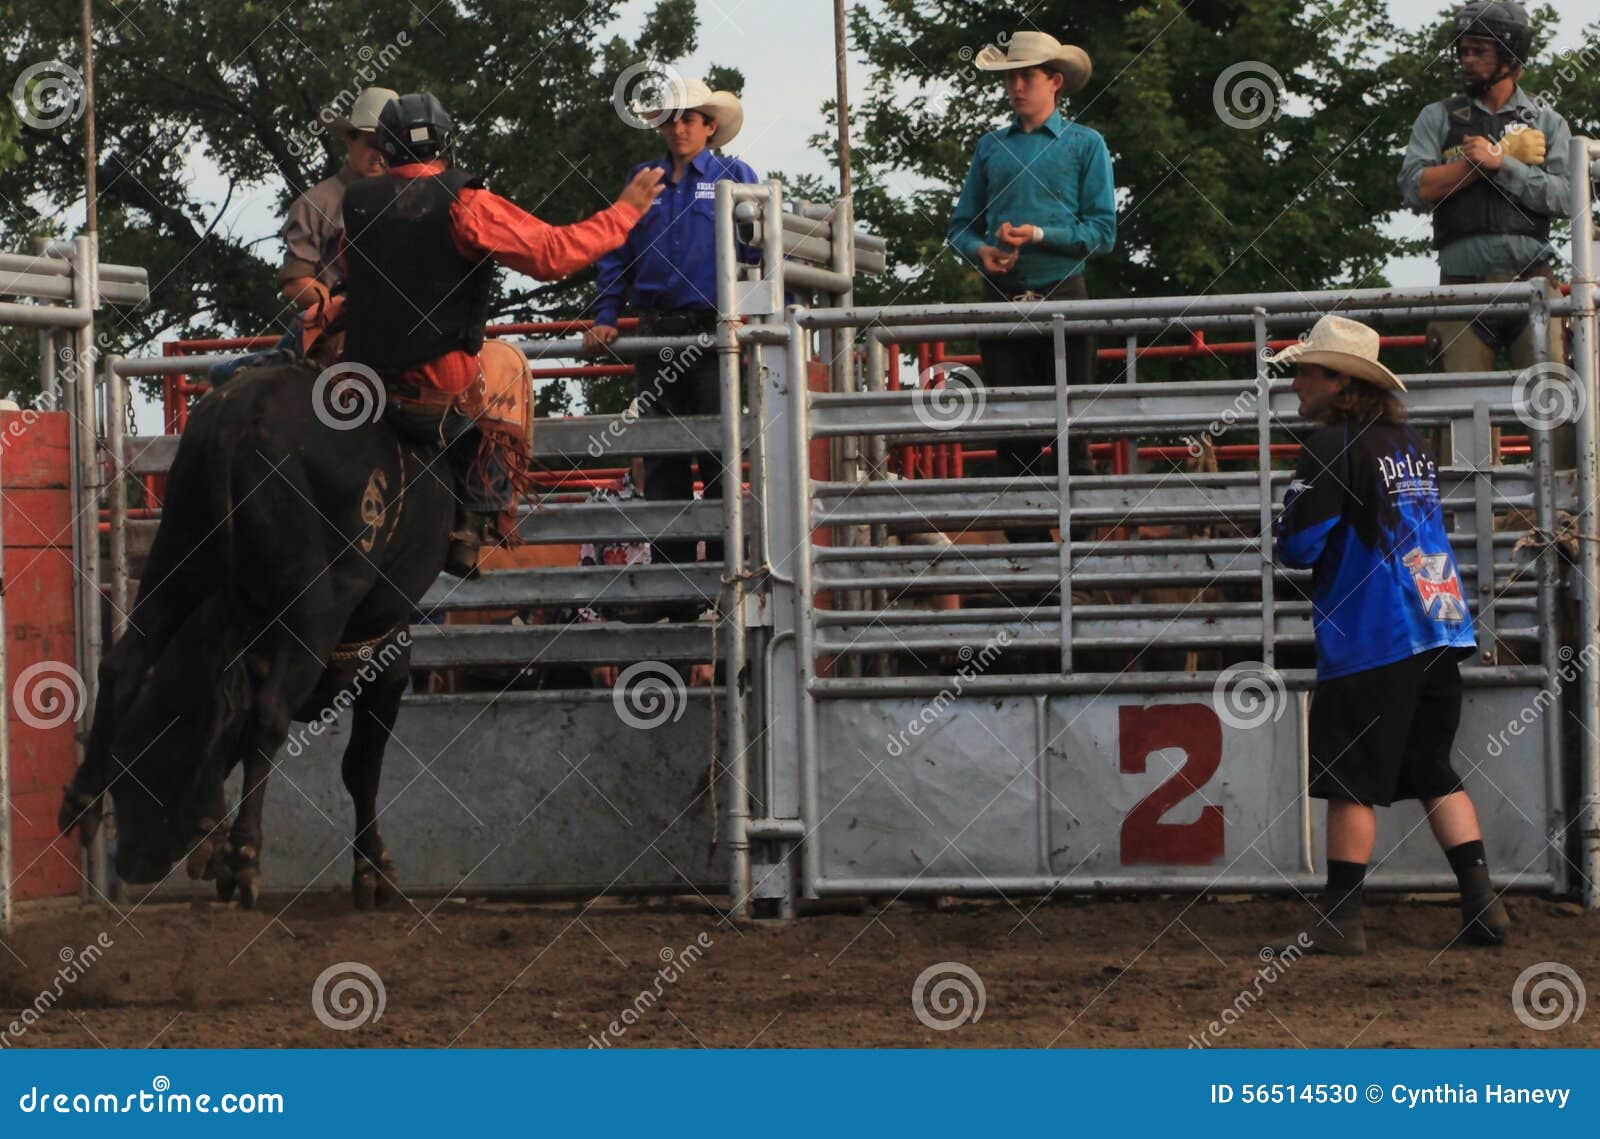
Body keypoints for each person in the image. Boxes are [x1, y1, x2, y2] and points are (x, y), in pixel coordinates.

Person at [341, 92, 664, 577]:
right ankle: (475, 516)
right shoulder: (466, 204)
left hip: (359, 385)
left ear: (384, 150)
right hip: (433, 391)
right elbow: (552, 255)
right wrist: (624, 213)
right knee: (504, 366)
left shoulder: (357, 204)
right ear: (446, 145)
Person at [1269, 315, 1510, 956]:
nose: (1295, 384)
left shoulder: (1329, 447)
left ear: (1337, 381)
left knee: (1349, 777)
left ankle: (1343, 919)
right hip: (1437, 623)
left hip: (1373, 632)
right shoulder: (1410, 444)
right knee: (1433, 768)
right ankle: (1482, 903)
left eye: (1305, 372)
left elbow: (1296, 545)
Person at [583, 78, 760, 570]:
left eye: (689, 119)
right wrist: (606, 315)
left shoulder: (735, 175)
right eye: (670, 118)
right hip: (655, 331)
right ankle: (674, 579)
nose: (678, 127)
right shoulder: (644, 179)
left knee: (719, 452)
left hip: (715, 331)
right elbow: (616, 252)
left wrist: (752, 313)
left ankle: (730, 572)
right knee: (661, 456)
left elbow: (760, 251)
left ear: (710, 126)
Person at [946, 29, 1116, 543]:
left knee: (1073, 433)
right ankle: (1028, 571)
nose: (1016, 86)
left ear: (1054, 82)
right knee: (1011, 434)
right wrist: (983, 251)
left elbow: (1102, 234)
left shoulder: (1086, 145)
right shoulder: (990, 146)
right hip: (1002, 300)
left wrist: (1039, 234)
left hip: (1063, 296)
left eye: (1027, 76)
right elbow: (960, 227)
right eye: (1010, 78)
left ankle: (1078, 562)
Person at [1398, 2, 1571, 458]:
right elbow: (1416, 188)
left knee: (1558, 412)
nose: (1466, 60)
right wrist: (1480, 164)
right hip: (1461, 293)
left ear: (1508, 56)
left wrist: (1505, 165)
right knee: (1459, 428)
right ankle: (1469, 527)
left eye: (1477, 51)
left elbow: (1568, 198)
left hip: (1533, 288)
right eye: (1463, 50)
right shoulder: (1437, 117)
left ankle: (1569, 526)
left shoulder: (1547, 121)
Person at [280, 86, 397, 312]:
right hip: (337, 334)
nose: (378, 153)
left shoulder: (413, 200)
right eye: (371, 142)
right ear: (350, 139)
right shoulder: (314, 204)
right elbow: (296, 282)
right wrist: (345, 313)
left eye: (387, 143)